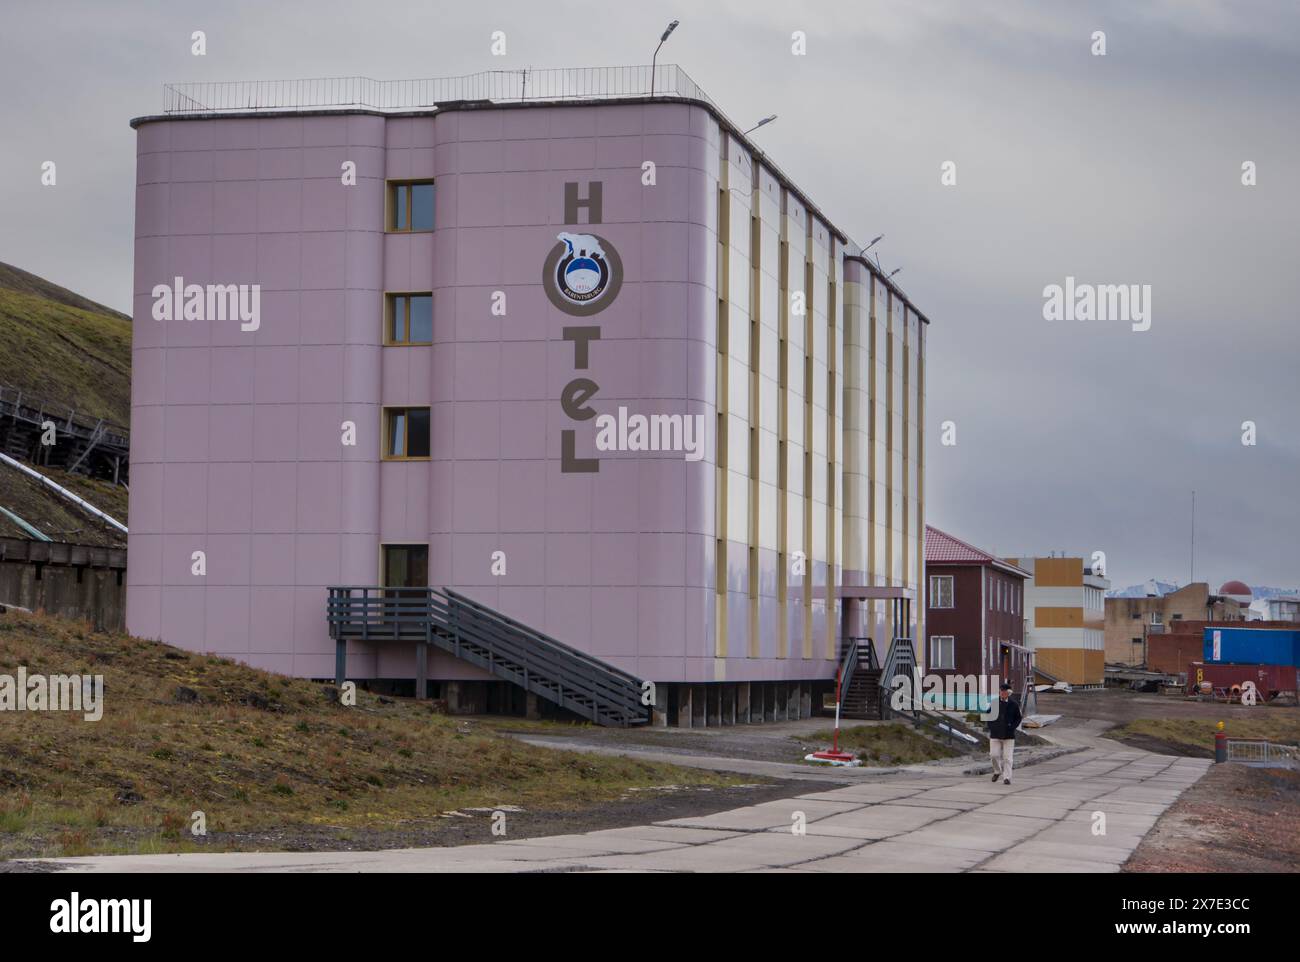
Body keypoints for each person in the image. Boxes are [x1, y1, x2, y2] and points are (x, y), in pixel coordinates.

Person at [986, 682, 1023, 785]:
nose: (1002, 693)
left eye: (1004, 691)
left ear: (1009, 693)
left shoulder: (1014, 704)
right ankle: (997, 771)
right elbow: (988, 716)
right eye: (1001, 691)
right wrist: (992, 728)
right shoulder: (994, 703)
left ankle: (1007, 778)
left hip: (1009, 735)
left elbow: (1018, 718)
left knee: (1007, 758)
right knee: (993, 755)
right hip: (995, 734)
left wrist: (1012, 727)